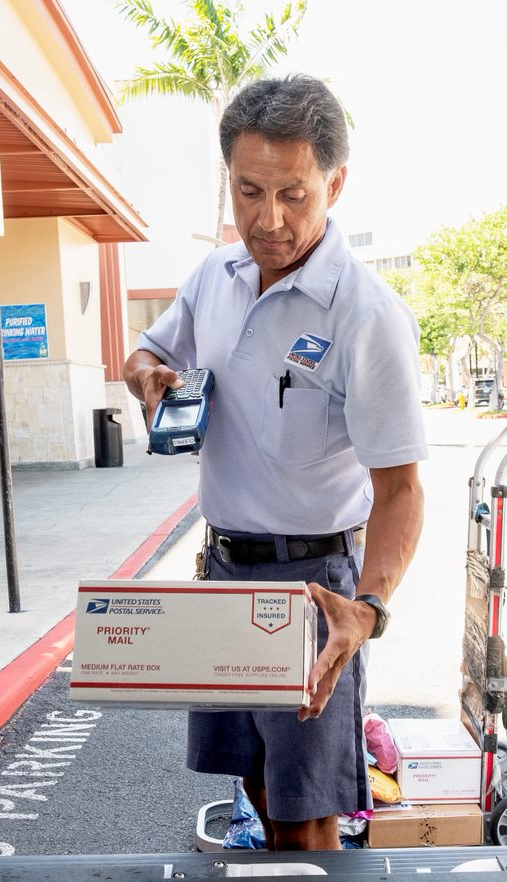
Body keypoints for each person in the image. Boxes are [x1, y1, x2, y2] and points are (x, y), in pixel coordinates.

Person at [123, 75, 427, 851]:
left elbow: (400, 489)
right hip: (223, 569)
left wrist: (368, 608)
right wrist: (147, 375)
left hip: (313, 588)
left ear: (335, 183)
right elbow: (149, 352)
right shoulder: (213, 276)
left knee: (304, 812)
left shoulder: (366, 315)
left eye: (293, 194)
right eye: (248, 192)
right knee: (253, 780)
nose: (268, 220)